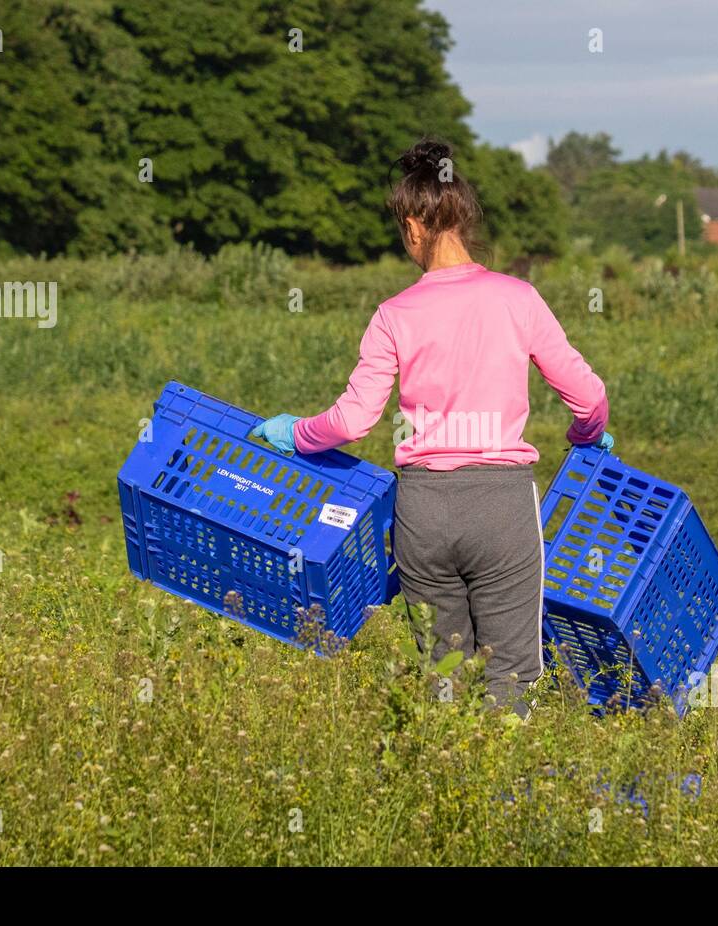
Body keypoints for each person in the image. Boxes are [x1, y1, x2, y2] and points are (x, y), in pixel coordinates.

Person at [252, 138, 611, 717]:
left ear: (415, 226)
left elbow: (354, 419)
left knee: (444, 676)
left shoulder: (394, 313)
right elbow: (588, 396)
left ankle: (443, 786)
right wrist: (587, 434)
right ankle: (501, 797)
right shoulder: (518, 298)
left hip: (421, 512)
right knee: (510, 677)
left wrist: (295, 432)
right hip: (500, 509)